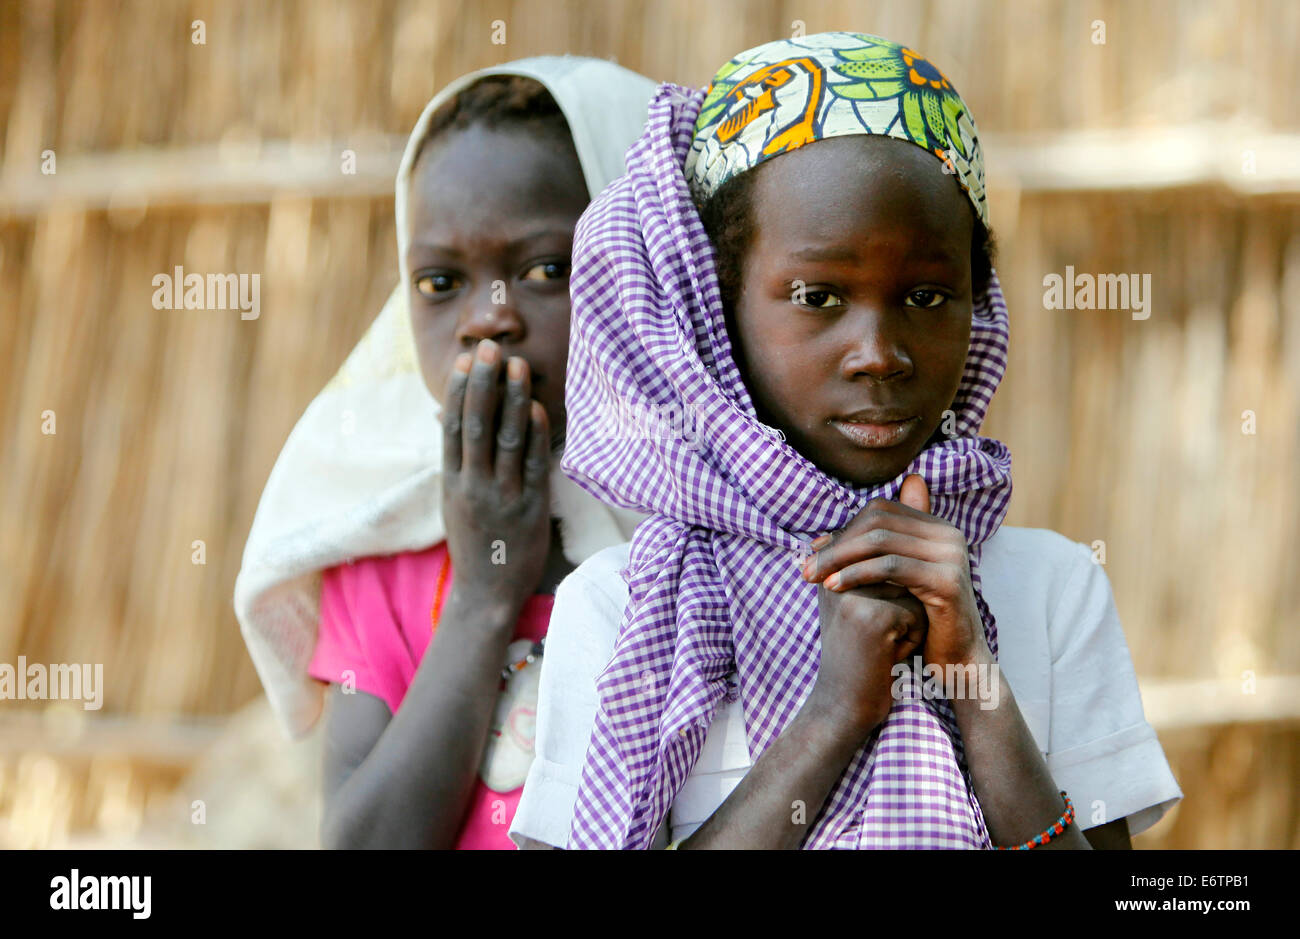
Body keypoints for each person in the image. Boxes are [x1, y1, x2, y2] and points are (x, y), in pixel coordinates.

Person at [509, 32, 1182, 850]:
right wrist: (835, 710)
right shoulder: (624, 608)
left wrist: (971, 672)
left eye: (928, 294)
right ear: (717, 311)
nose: (879, 352)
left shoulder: (1050, 589)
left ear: (980, 303)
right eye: (819, 294)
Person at [233, 57, 657, 848]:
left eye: (545, 269)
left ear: (651, 264)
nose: (486, 320)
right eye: (440, 282)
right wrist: (482, 596)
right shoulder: (386, 559)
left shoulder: (716, 541)